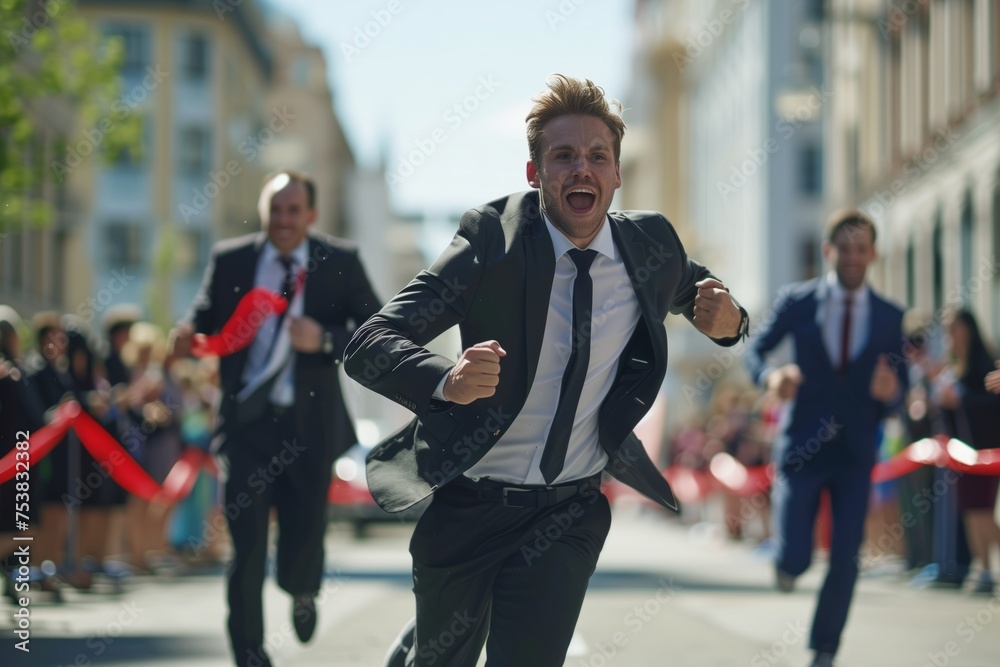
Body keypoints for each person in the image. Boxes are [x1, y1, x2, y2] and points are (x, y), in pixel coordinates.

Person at [344, 74, 748, 667]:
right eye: (563, 156)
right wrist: (444, 379)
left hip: (568, 509)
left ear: (616, 174)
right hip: (472, 504)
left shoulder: (650, 244)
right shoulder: (491, 241)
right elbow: (369, 342)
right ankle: (420, 649)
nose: (581, 169)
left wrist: (732, 320)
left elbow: (707, 298)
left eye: (596, 156)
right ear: (534, 174)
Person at [170, 169, 381, 667]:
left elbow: (376, 326)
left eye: (293, 211)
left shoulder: (340, 261)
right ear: (263, 212)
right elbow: (205, 314)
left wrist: (326, 339)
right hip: (246, 426)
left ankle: (303, 589)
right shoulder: (232, 259)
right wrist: (185, 332)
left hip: (310, 427)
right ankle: (249, 650)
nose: (283, 220)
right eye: (275, 210)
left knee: (304, 533)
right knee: (245, 547)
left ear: (311, 214)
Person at [744, 209, 908, 667]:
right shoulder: (797, 301)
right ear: (828, 251)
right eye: (845, 248)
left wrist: (893, 392)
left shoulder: (890, 317)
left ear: (872, 253)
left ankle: (825, 649)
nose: (853, 257)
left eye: (862, 249)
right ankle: (788, 564)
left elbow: (902, 390)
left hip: (856, 452)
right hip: (802, 447)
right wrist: (772, 375)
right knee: (797, 552)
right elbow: (755, 349)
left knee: (845, 557)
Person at [934, 309, 1000, 594]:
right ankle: (983, 567)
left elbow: (988, 403)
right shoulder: (952, 367)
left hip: (985, 452)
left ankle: (988, 564)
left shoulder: (984, 363)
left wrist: (961, 398)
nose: (950, 335)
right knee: (971, 511)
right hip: (961, 454)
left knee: (984, 510)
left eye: (954, 328)